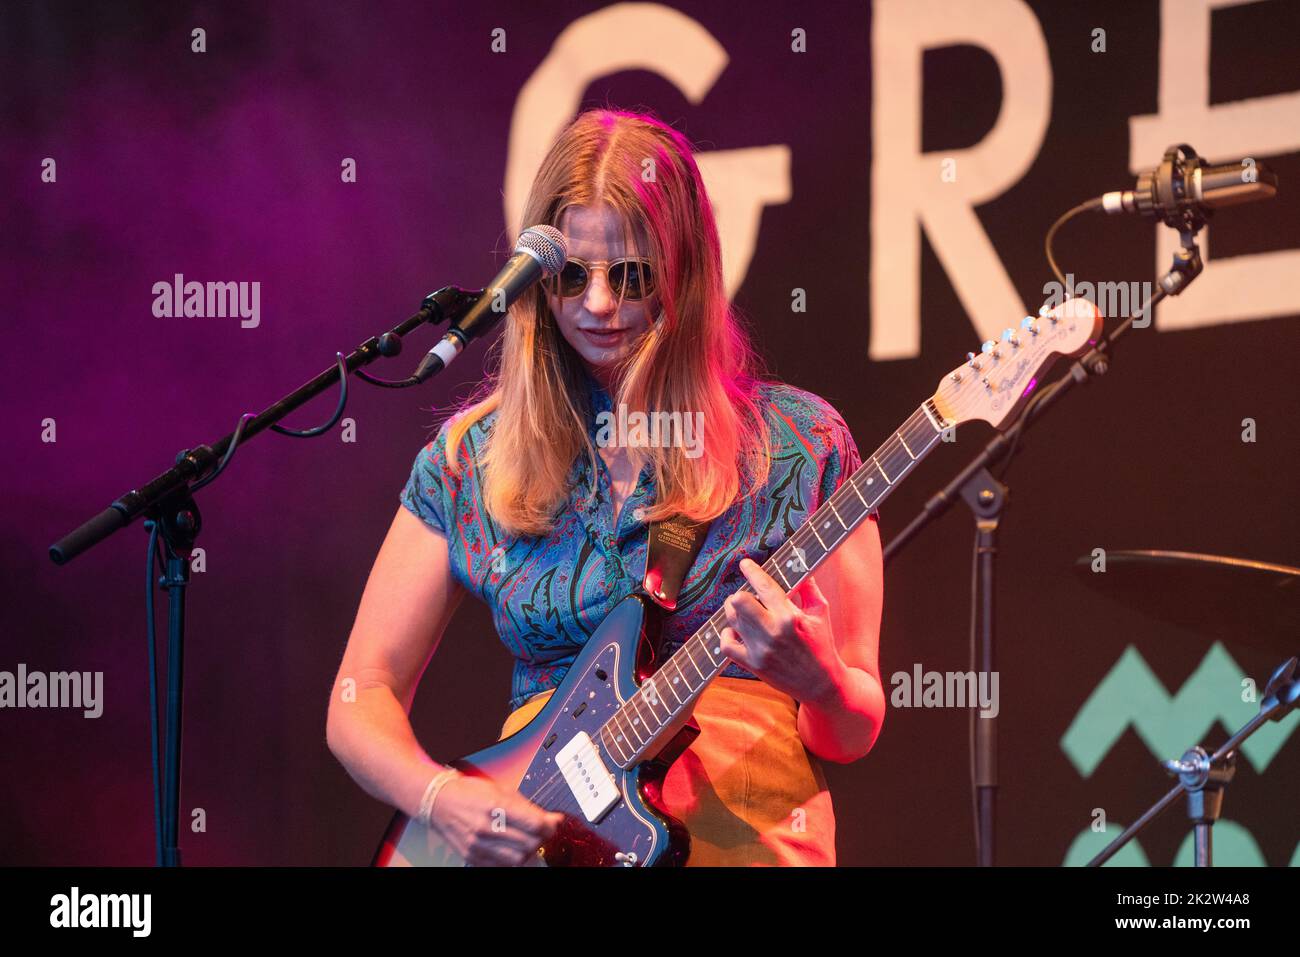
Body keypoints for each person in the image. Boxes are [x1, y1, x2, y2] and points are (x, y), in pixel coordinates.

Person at [327, 107, 885, 866]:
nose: (597, 303)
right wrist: (438, 798)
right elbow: (361, 692)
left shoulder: (801, 442)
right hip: (553, 844)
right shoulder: (470, 458)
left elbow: (853, 728)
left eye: (632, 275)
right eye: (569, 276)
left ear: (685, 272)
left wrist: (821, 682)